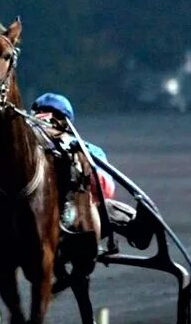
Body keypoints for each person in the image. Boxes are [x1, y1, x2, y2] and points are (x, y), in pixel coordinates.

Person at [29, 91, 122, 231]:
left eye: (54, 116)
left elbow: (107, 191)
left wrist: (85, 165)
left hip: (76, 213)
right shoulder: (26, 148)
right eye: (40, 114)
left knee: (113, 210)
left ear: (66, 123)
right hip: (32, 212)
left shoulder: (88, 150)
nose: (46, 120)